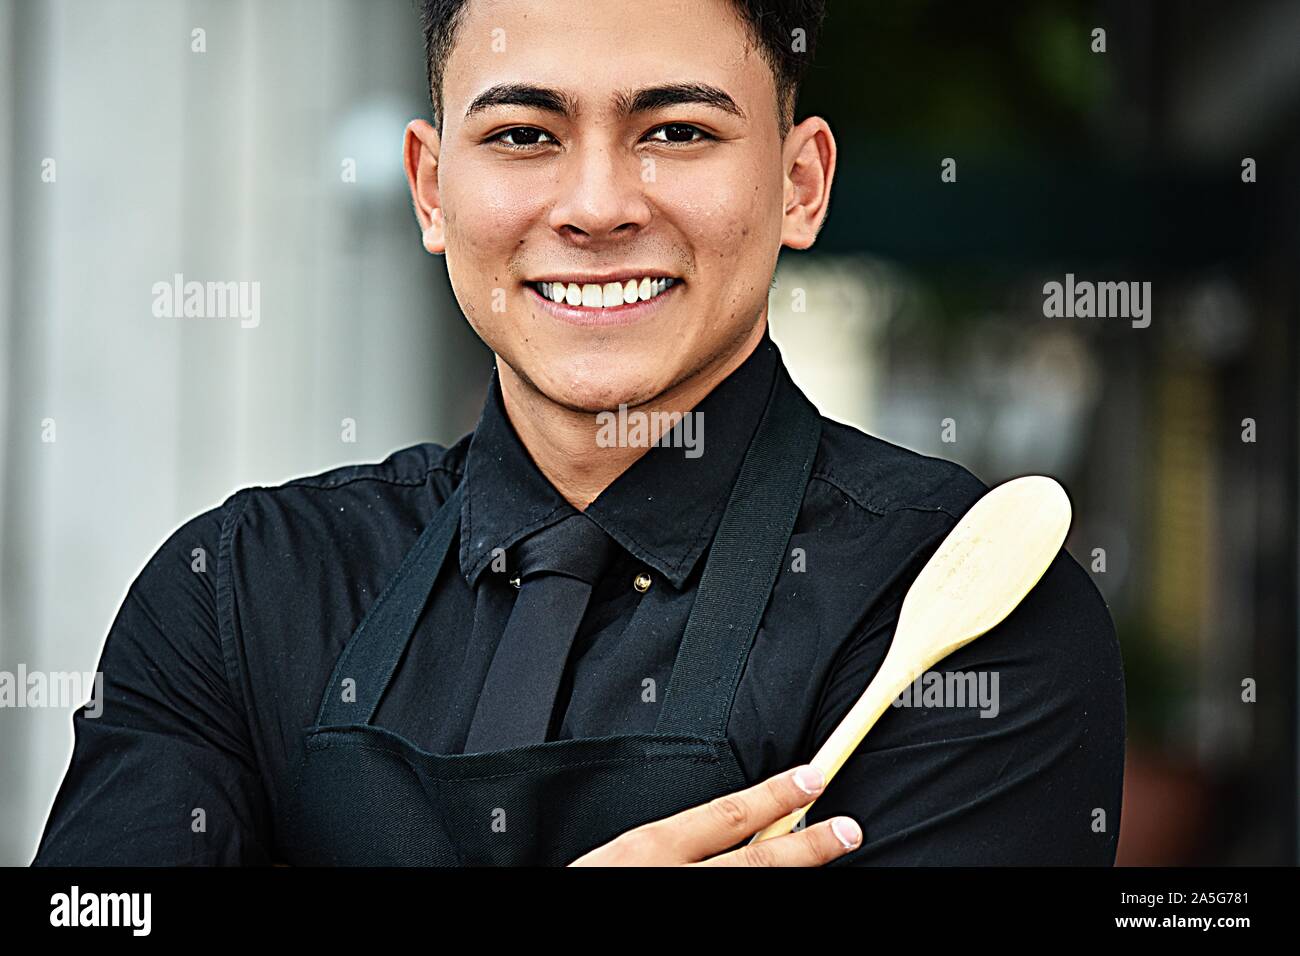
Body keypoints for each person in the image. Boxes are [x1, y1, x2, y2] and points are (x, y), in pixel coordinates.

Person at [32, 0, 1125, 866]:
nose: (597, 204)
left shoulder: (959, 612)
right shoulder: (239, 591)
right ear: (430, 186)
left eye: (677, 131)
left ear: (800, 183)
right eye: (522, 134)